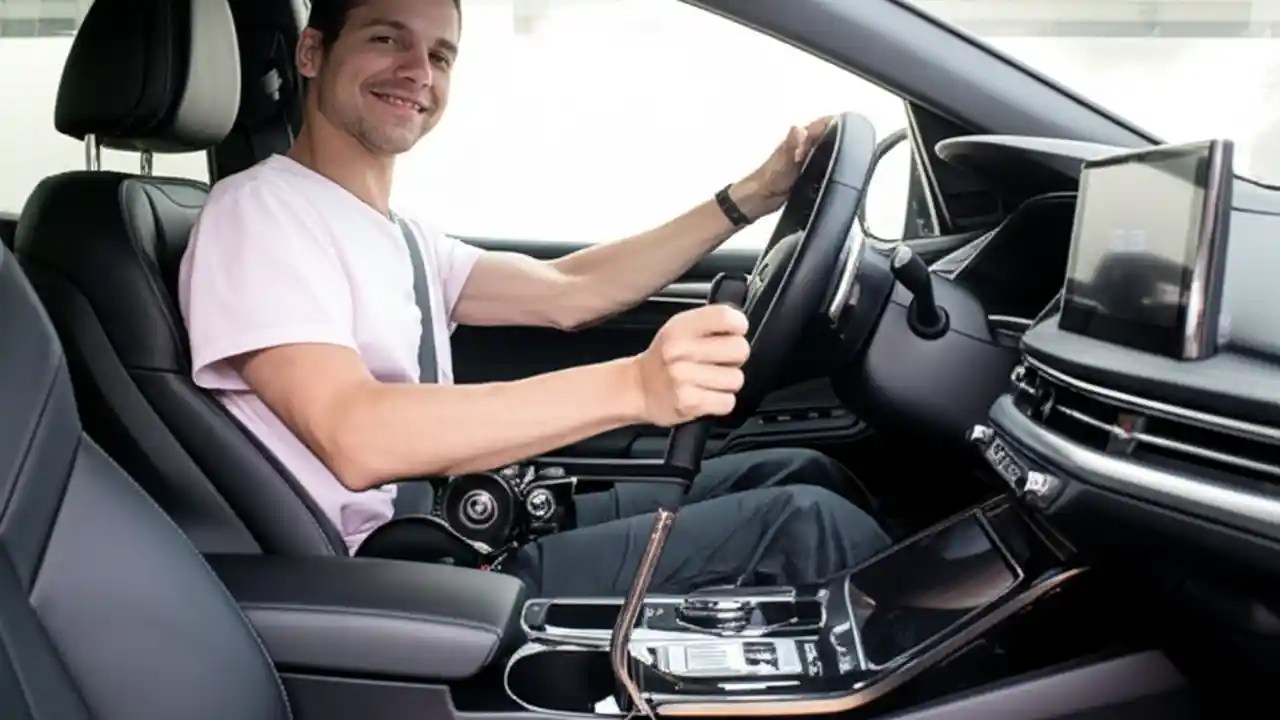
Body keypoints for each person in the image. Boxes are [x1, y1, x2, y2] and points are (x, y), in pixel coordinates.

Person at [178, 0, 891, 597]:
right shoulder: (260, 215)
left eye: (441, 55)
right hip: (400, 576)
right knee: (808, 525)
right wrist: (635, 385)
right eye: (386, 38)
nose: (417, 72)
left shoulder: (392, 232)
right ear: (312, 53)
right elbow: (356, 435)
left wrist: (747, 198)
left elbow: (572, 292)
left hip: (448, 523)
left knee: (800, 472)